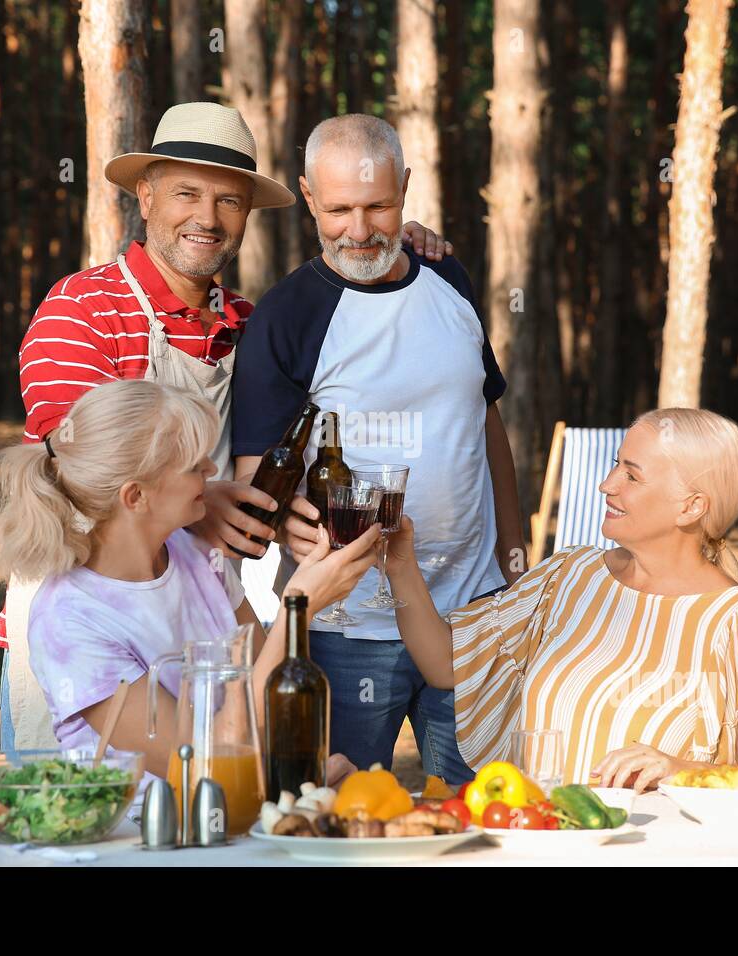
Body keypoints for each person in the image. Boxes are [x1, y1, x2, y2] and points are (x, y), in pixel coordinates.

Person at [0, 102, 451, 751]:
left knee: (211, 800)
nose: (207, 218)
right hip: (90, 630)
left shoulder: (248, 322)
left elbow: (277, 449)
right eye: (187, 193)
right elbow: (84, 466)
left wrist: (396, 244)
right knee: (79, 825)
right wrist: (201, 506)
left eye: (229, 201)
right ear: (145, 197)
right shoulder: (82, 308)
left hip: (203, 619)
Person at [231, 115, 525, 784]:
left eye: (378, 206)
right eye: (338, 210)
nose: (359, 230)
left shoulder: (450, 280)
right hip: (345, 628)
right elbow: (257, 478)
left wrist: (513, 559)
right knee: (340, 818)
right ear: (307, 198)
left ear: (407, 189)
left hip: (472, 612)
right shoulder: (287, 315)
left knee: (483, 813)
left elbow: (486, 422)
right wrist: (286, 522)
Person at [384, 407, 738, 791]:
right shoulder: (570, 575)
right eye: (617, 464)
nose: (607, 484)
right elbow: (445, 663)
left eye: (632, 475)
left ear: (691, 507)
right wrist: (400, 564)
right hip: (540, 847)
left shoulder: (734, 622)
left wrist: (680, 770)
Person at [0, 378, 380, 785]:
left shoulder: (192, 553)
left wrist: (302, 779)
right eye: (194, 466)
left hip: (241, 814)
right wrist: (298, 607)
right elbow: (201, 765)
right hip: (146, 836)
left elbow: (269, 698)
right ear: (136, 496)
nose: (212, 471)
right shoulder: (68, 620)